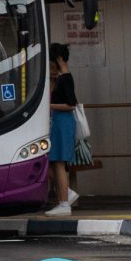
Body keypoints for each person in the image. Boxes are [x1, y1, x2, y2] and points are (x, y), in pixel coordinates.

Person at [44, 43, 80, 216]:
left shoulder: (66, 78)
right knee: (52, 162)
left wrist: (48, 105)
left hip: (63, 122)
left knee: (58, 163)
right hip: (59, 122)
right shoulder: (61, 78)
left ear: (58, 59)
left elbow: (71, 104)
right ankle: (66, 196)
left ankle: (64, 203)